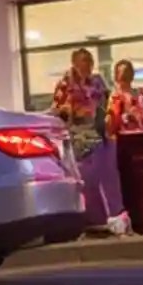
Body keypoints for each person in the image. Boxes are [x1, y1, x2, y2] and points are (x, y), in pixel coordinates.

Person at [49, 48, 128, 235]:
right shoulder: (65, 83)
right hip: (78, 135)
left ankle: (111, 218)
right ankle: (93, 220)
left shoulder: (98, 81)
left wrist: (106, 122)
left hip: (99, 132)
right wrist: (72, 114)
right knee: (86, 179)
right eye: (83, 61)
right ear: (75, 63)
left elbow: (106, 103)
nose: (87, 65)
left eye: (90, 61)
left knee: (105, 177)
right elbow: (58, 110)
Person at [106, 59, 143, 139]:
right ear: (116, 77)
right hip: (124, 140)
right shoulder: (114, 98)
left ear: (132, 75)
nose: (124, 75)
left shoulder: (141, 95)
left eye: (127, 73)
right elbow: (110, 127)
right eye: (121, 73)